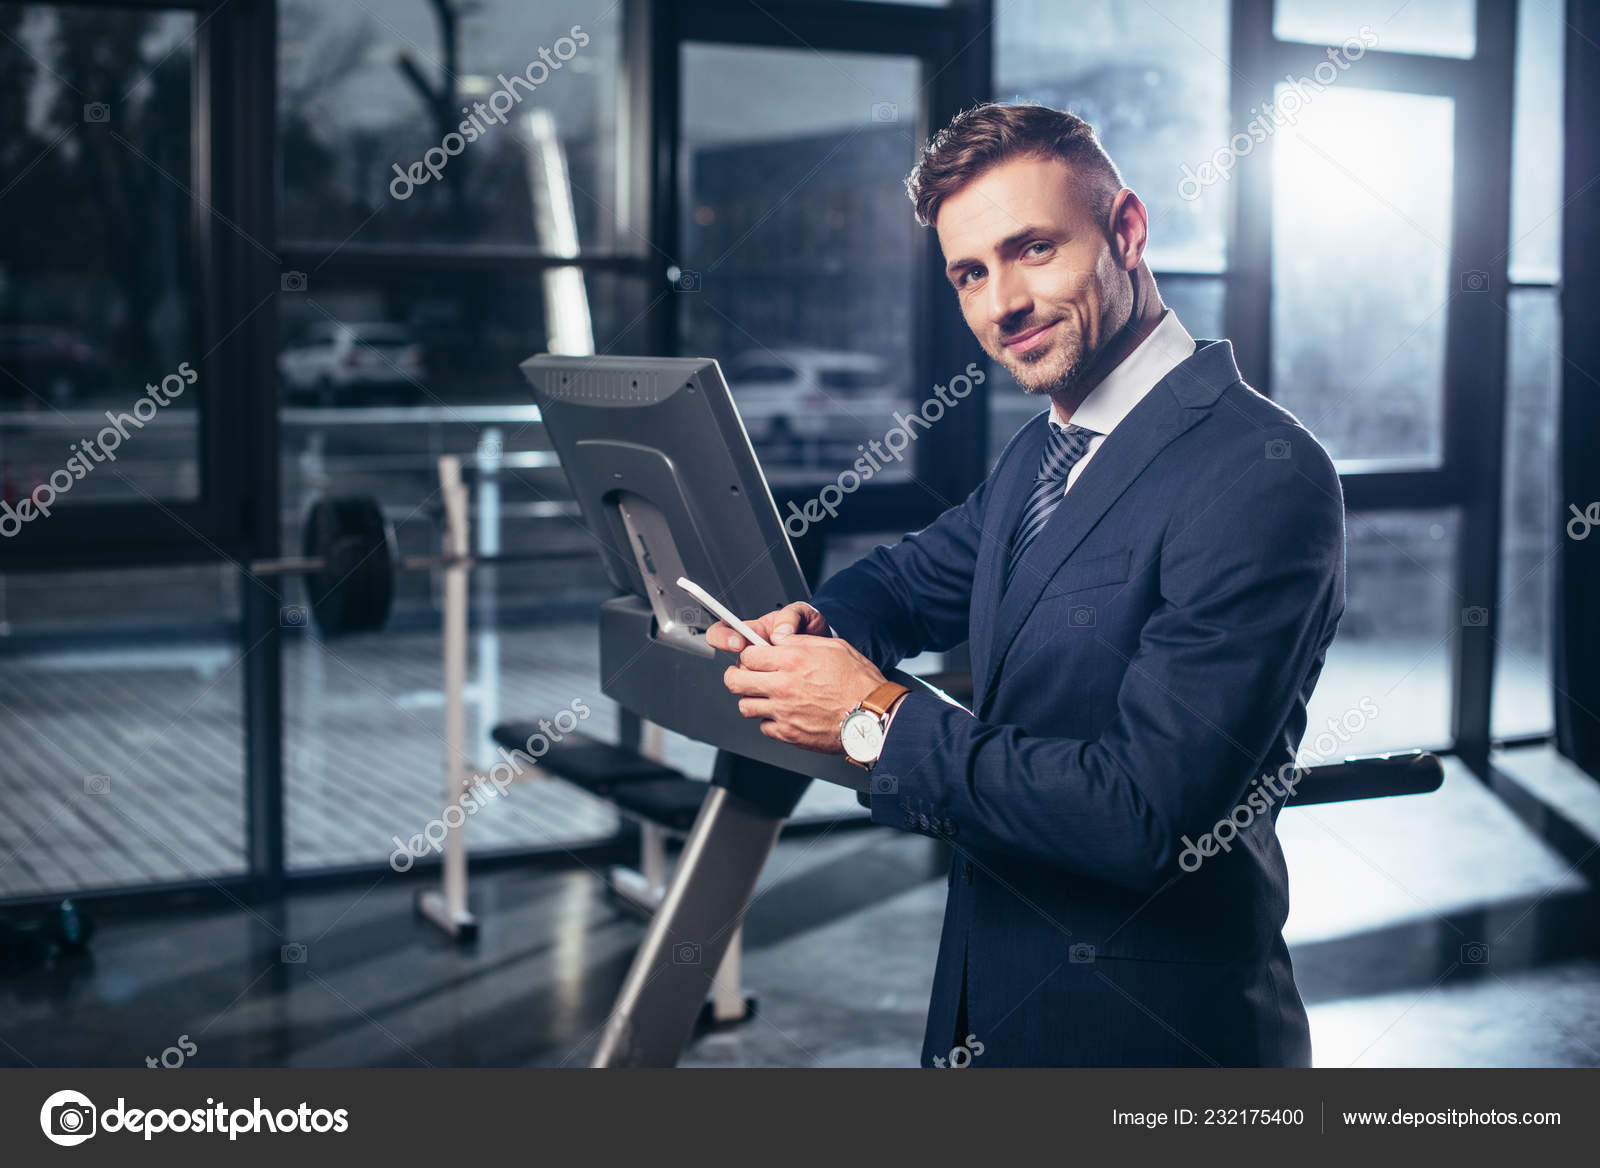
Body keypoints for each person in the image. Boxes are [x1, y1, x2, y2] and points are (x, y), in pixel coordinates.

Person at [706, 103, 1344, 1068]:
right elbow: (911, 580)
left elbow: (1146, 814)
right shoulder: (1049, 452)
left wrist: (872, 715)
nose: (1001, 303)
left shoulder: (1261, 472)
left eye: (1033, 249)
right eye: (971, 272)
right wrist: (809, 627)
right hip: (990, 1001)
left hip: (1150, 1039)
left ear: (1127, 231)